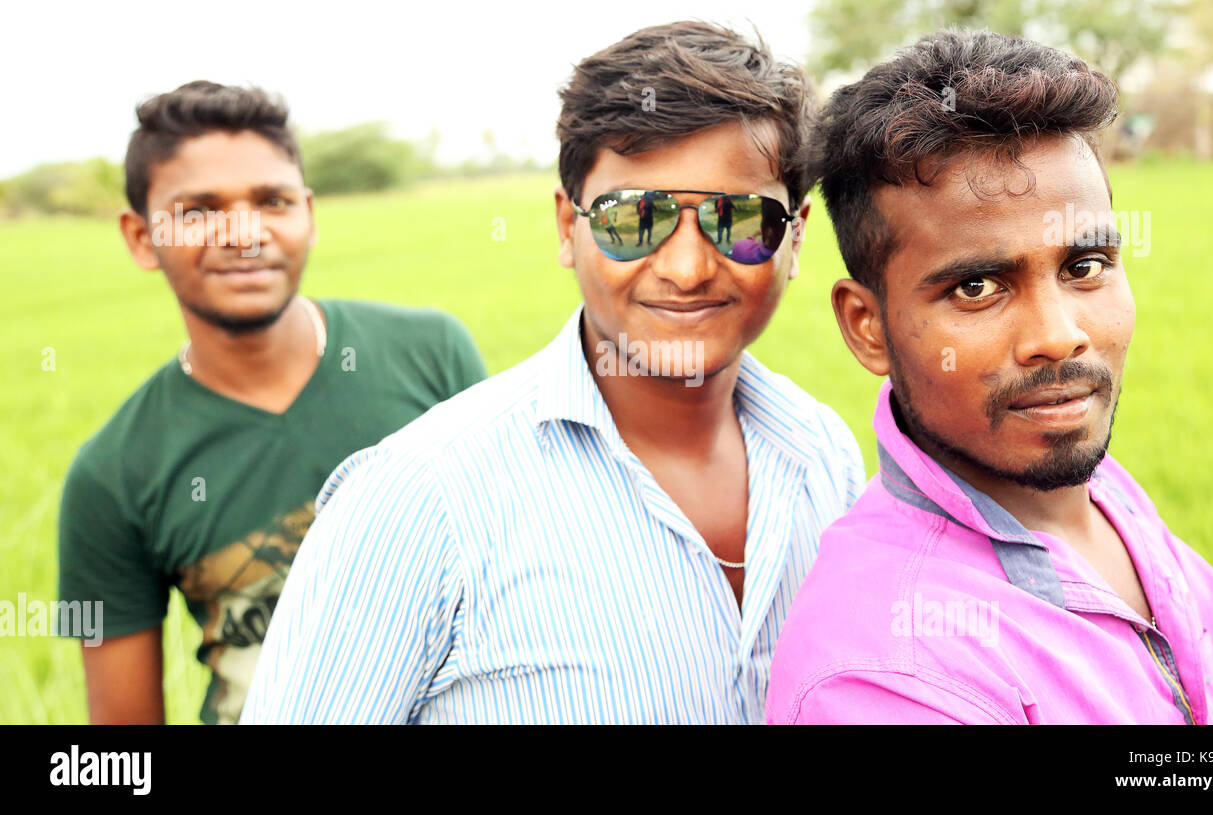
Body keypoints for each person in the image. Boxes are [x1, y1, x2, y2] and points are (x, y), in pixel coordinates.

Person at [241, 21, 865, 725]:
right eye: (636, 218)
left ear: (797, 234)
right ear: (568, 227)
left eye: (739, 219)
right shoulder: (421, 500)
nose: (688, 269)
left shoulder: (824, 454)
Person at [767, 31, 1213, 724]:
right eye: (978, 286)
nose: (1058, 336)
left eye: (1084, 267)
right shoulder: (882, 678)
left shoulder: (1095, 493)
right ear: (868, 325)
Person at [57, 81, 488, 725]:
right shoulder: (108, 476)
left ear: (308, 216)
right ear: (141, 236)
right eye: (199, 210)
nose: (244, 233)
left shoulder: (432, 353)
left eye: (271, 201)